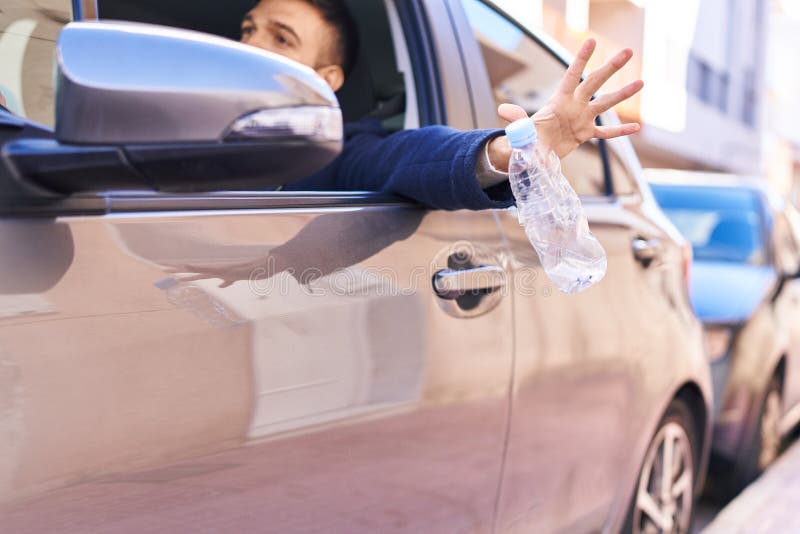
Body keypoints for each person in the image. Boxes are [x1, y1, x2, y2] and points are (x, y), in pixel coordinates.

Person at [238, 0, 644, 210]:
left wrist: (514, 148)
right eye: (248, 28)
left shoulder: (343, 154)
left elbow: (413, 155)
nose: (249, 44)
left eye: (281, 39)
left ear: (325, 80)